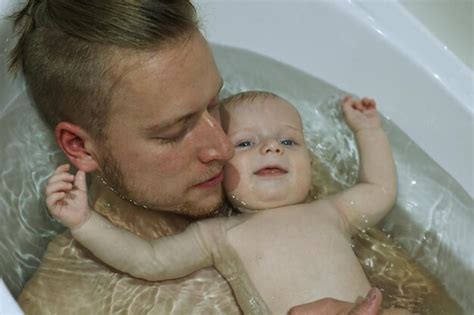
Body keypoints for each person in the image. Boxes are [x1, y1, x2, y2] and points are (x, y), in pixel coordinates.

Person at [10, 0, 388, 313]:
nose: (223, 147)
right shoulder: (71, 294)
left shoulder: (299, 188)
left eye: (214, 104)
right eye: (175, 130)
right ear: (80, 148)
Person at [46, 92, 407, 314]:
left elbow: (379, 189)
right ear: (217, 168)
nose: (272, 147)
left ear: (310, 164)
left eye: (290, 142)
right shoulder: (220, 235)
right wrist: (84, 222)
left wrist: (368, 130)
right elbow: (149, 260)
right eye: (247, 144)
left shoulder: (333, 212)